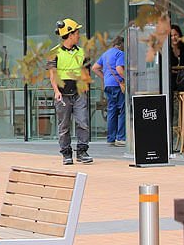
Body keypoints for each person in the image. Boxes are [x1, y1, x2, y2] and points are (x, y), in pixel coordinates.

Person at [49, 18, 93, 165]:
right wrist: (56, 91)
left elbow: (86, 71)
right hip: (63, 93)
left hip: (79, 92)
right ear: (70, 34)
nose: (79, 35)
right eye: (77, 32)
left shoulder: (82, 52)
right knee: (64, 125)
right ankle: (66, 154)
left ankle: (82, 151)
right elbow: (52, 74)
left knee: (83, 122)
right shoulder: (54, 53)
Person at [93, 35, 127, 146]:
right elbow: (119, 69)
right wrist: (127, 79)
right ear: (121, 44)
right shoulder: (120, 53)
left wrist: (105, 77)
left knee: (112, 111)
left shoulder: (105, 54)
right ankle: (121, 138)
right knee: (122, 110)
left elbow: (95, 68)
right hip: (118, 85)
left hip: (108, 85)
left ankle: (111, 138)